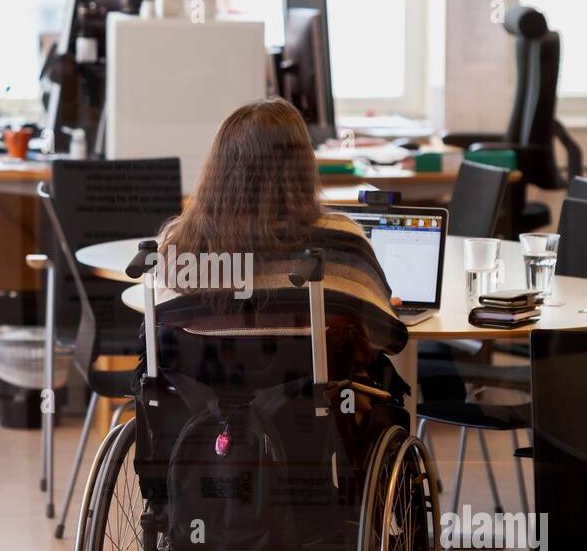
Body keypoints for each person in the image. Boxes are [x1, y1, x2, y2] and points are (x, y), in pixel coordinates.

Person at [155, 98, 407, 364]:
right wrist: (383, 309)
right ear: (304, 166)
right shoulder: (344, 241)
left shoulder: (180, 246)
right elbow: (388, 339)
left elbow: (163, 329)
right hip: (316, 403)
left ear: (218, 168)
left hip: (206, 403)